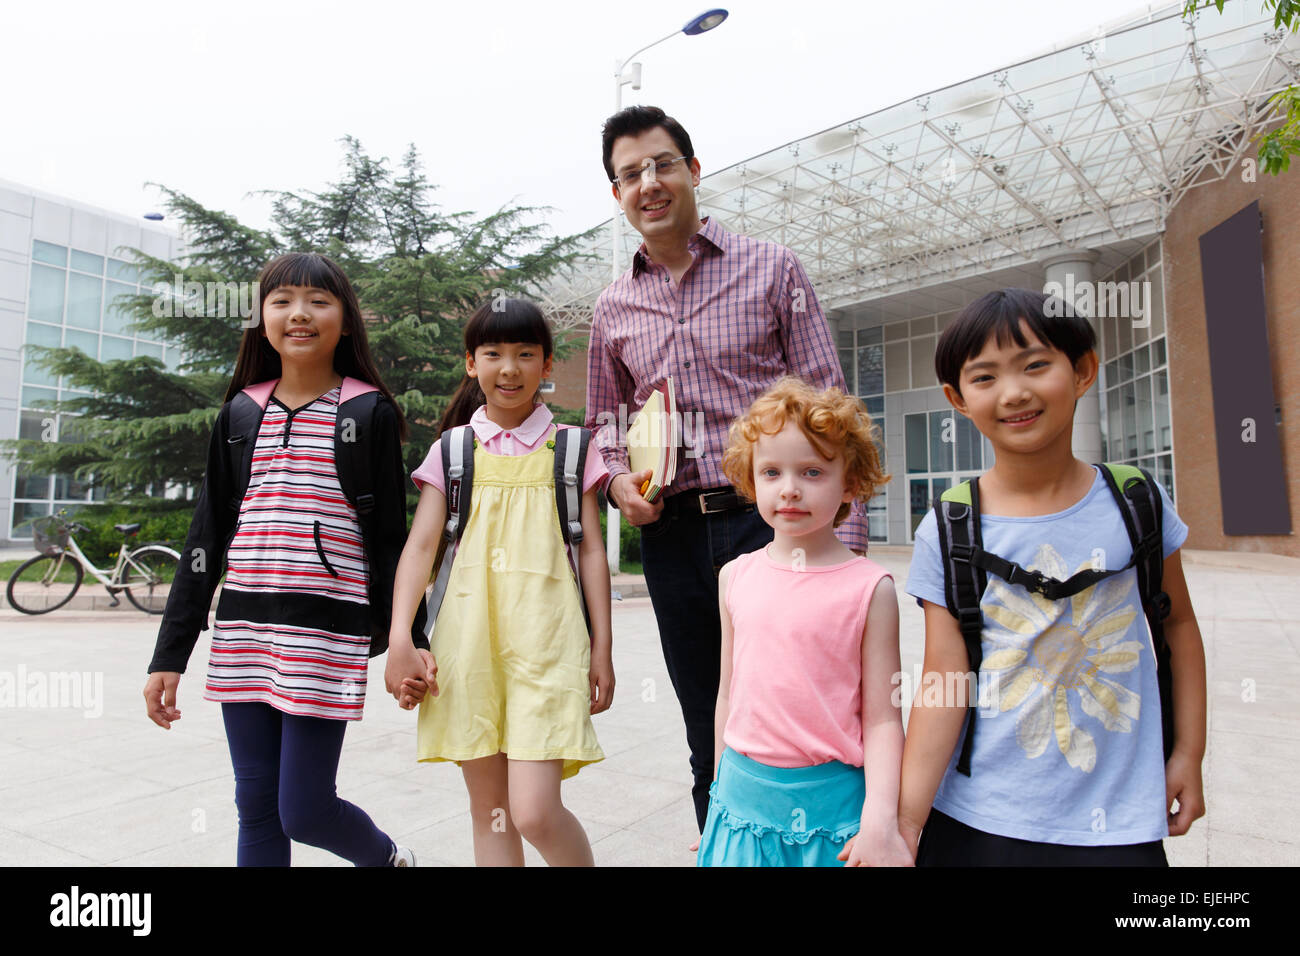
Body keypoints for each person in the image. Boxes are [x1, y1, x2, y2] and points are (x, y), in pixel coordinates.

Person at [586, 105, 871, 833]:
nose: (648, 183)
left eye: (662, 164)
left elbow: (828, 405)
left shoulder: (773, 269)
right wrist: (619, 482)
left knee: (804, 713)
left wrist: (852, 544)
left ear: (693, 169)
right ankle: (723, 847)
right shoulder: (613, 307)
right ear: (615, 193)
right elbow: (602, 427)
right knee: (705, 728)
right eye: (629, 174)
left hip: (773, 526)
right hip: (674, 539)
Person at [898, 288, 1207, 865]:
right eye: (984, 377)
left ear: (1083, 370)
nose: (1014, 393)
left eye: (1036, 365)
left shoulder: (1136, 501)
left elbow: (1180, 628)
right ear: (957, 399)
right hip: (979, 817)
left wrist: (1188, 753)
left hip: (1119, 824)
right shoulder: (948, 526)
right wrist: (905, 823)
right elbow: (945, 678)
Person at [143, 252, 423, 867]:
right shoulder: (241, 412)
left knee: (304, 808)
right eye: (282, 300)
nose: (300, 313)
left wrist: (409, 636)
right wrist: (170, 655)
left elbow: (392, 542)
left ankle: (388, 859)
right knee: (257, 808)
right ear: (261, 318)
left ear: (346, 322)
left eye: (319, 301)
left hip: (325, 632)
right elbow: (205, 538)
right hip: (243, 630)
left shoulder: (366, 411)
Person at [387, 297, 614, 867]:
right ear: (471, 363)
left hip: (549, 647)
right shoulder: (453, 450)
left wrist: (603, 651)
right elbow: (420, 548)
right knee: (490, 812)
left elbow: (590, 555)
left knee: (534, 810)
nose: (508, 368)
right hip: (468, 649)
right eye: (493, 354)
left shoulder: (572, 449)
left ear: (546, 364)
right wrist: (397, 641)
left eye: (524, 354)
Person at [696, 378, 909, 867]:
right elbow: (728, 693)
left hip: (833, 818)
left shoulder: (870, 588)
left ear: (850, 483)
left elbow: (882, 718)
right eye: (771, 471)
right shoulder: (735, 576)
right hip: (741, 804)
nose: (789, 489)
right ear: (752, 480)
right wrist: (715, 797)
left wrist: (880, 820)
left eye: (812, 471)